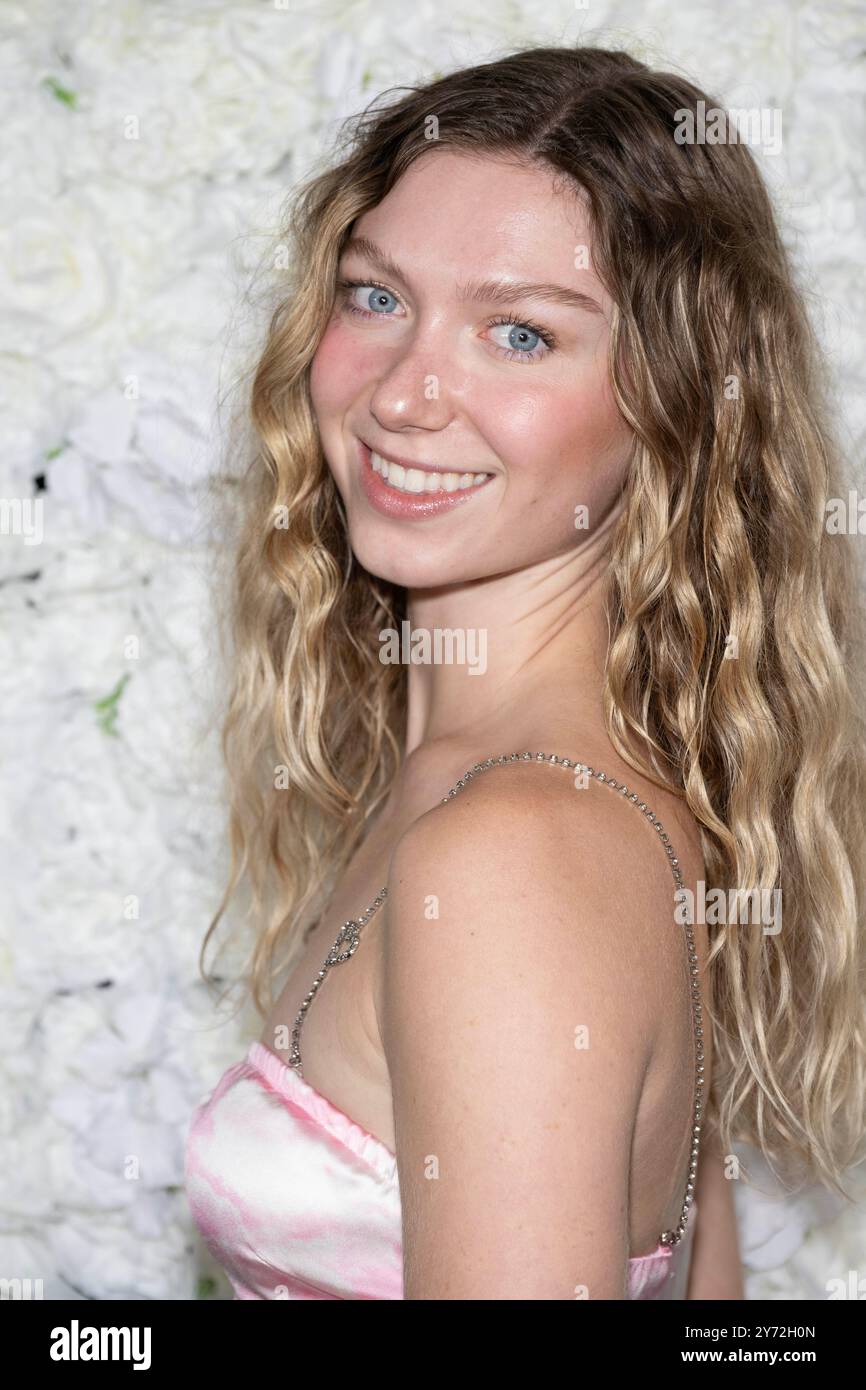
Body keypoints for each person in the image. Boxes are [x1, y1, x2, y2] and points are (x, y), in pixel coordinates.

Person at [183, 44, 866, 1300]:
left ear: (672, 407)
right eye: (376, 296)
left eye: (517, 332)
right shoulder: (562, 797)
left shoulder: (510, 856)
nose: (403, 396)